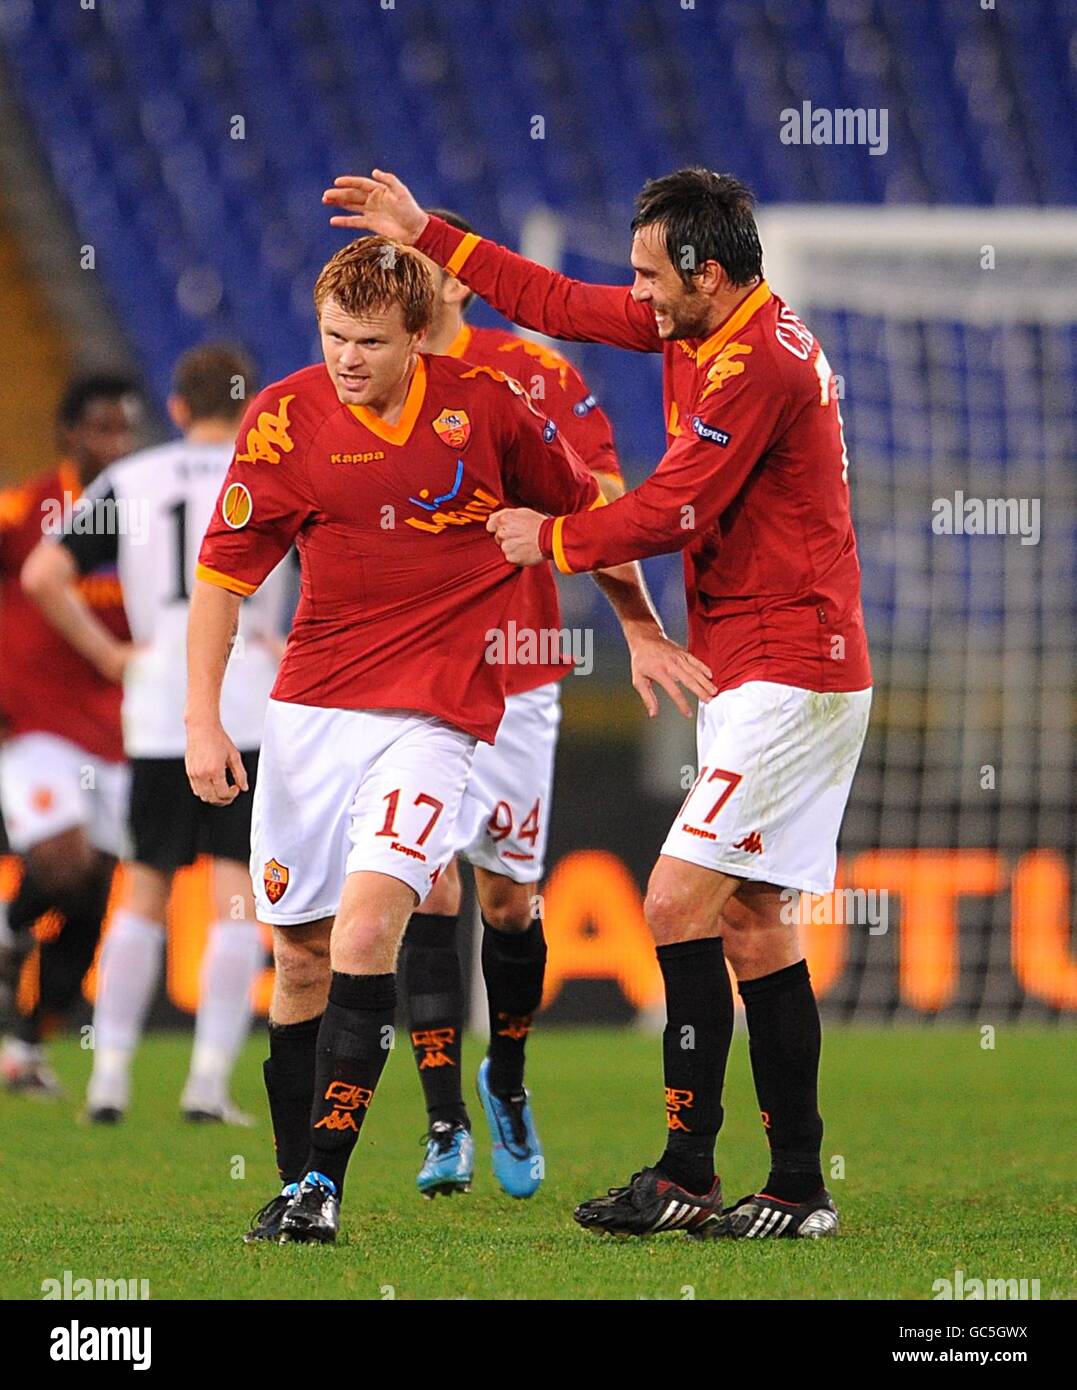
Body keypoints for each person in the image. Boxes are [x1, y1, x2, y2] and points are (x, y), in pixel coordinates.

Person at [324, 167, 873, 1239]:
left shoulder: (755, 363)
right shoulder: (708, 323)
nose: (633, 291)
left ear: (704, 273)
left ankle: (684, 1168)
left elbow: (671, 507)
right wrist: (427, 231)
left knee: (675, 902)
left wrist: (556, 538)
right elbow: (556, 301)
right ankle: (798, 1187)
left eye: (646, 273)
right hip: (757, 662)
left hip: (791, 668)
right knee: (757, 925)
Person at [186, 236, 700, 1245]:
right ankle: (294, 1178)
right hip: (311, 714)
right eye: (333, 336)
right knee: (299, 960)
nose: (346, 358)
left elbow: (584, 511)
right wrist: (203, 716)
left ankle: (331, 1186)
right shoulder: (283, 418)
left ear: (418, 334)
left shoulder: (494, 407)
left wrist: (639, 622)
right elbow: (224, 581)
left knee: (373, 929)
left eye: (369, 340)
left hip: (437, 713)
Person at [400, 208, 662, 1201]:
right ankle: (440, 1121)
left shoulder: (534, 375)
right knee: (424, 880)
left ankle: (504, 1079)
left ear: (462, 285)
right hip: (411, 672)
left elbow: (604, 492)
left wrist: (554, 502)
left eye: (430, 272)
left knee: (508, 896)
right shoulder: (372, 380)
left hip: (519, 660)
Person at [22, 345, 287, 1124]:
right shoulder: (270, 474)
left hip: (161, 706)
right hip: (244, 704)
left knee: (144, 887)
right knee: (237, 891)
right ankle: (207, 1083)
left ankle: (109, 1081)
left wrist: (109, 652)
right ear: (251, 407)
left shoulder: (132, 480)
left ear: (176, 408)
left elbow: (43, 573)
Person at [0, 376, 140, 1095]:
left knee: (89, 903)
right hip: (35, 720)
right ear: (68, 434)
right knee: (61, 860)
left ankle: (26, 1047)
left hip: (117, 730)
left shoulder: (145, 509)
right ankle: (7, 926)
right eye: (102, 430)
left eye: (125, 430)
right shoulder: (29, 509)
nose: (115, 445)